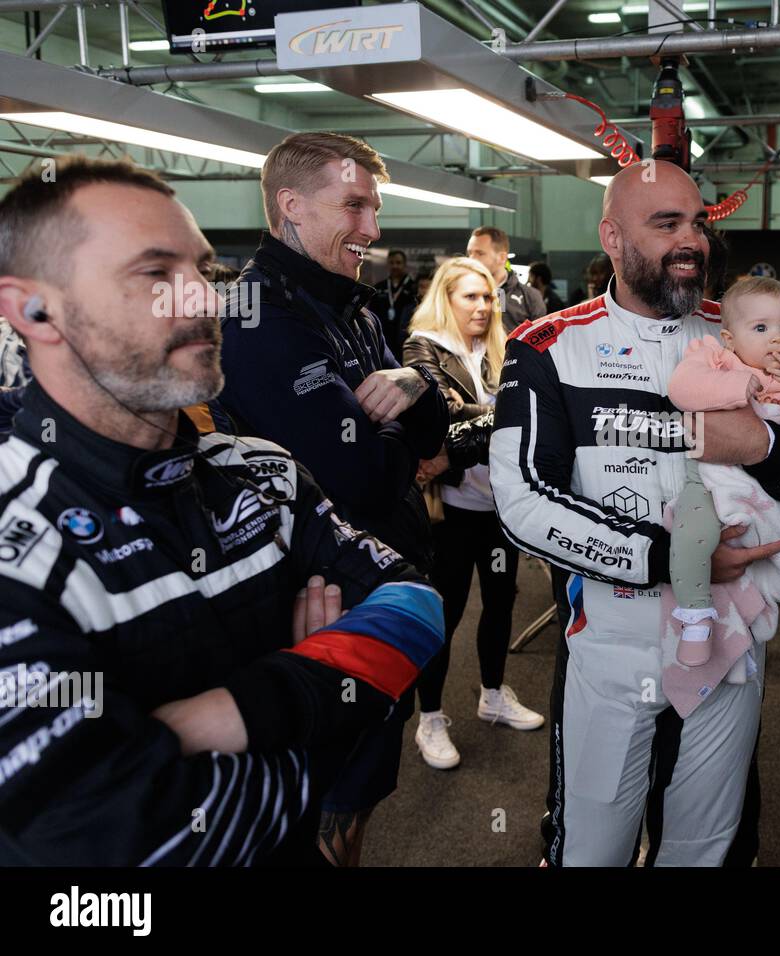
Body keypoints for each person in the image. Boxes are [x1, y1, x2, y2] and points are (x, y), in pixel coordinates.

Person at [0, 156, 444, 865]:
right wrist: (320, 715)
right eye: (155, 275)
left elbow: (417, 607)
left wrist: (230, 716)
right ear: (33, 310)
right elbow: (127, 843)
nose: (207, 302)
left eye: (203, 271)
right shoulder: (16, 541)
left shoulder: (261, 473)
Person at [490, 159, 780, 866]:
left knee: (703, 852)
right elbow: (521, 502)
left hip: (732, 646)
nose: (691, 239)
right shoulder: (546, 346)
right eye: (666, 224)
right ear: (611, 235)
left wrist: (761, 444)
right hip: (610, 645)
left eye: (697, 221)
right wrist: (670, 557)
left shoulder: (744, 329)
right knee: (589, 853)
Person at [217, 132, 451, 866]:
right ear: (290, 207)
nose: (373, 230)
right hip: (317, 612)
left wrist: (414, 391)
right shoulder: (257, 317)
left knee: (363, 791)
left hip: (378, 592)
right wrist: (410, 443)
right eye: (354, 206)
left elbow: (432, 428)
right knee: (325, 808)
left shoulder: (353, 311)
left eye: (375, 208)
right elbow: (358, 479)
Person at [403, 257, 544, 769]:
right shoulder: (424, 347)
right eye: (471, 297)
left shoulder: (503, 349)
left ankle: (492, 693)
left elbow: (516, 410)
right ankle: (431, 718)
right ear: (447, 298)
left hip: (501, 506)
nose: (484, 306)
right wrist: (510, 414)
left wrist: (492, 418)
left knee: (501, 602)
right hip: (454, 509)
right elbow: (441, 414)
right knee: (445, 613)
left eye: (488, 297)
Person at [665, 275, 780, 672]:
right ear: (729, 339)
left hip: (772, 490)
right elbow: (681, 388)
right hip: (713, 479)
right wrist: (735, 384)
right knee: (693, 537)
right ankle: (695, 620)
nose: (777, 339)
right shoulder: (714, 357)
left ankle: (753, 598)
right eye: (760, 328)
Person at [466, 226, 545, 333]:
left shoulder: (530, 297)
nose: (471, 259)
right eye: (470, 253)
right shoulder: (461, 295)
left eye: (480, 253)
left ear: (502, 258)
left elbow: (540, 342)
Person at [376, 248, 418, 359]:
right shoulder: (379, 287)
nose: (395, 266)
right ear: (387, 264)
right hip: (384, 339)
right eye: (392, 263)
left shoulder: (414, 287)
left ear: (404, 264)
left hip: (406, 338)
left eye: (398, 263)